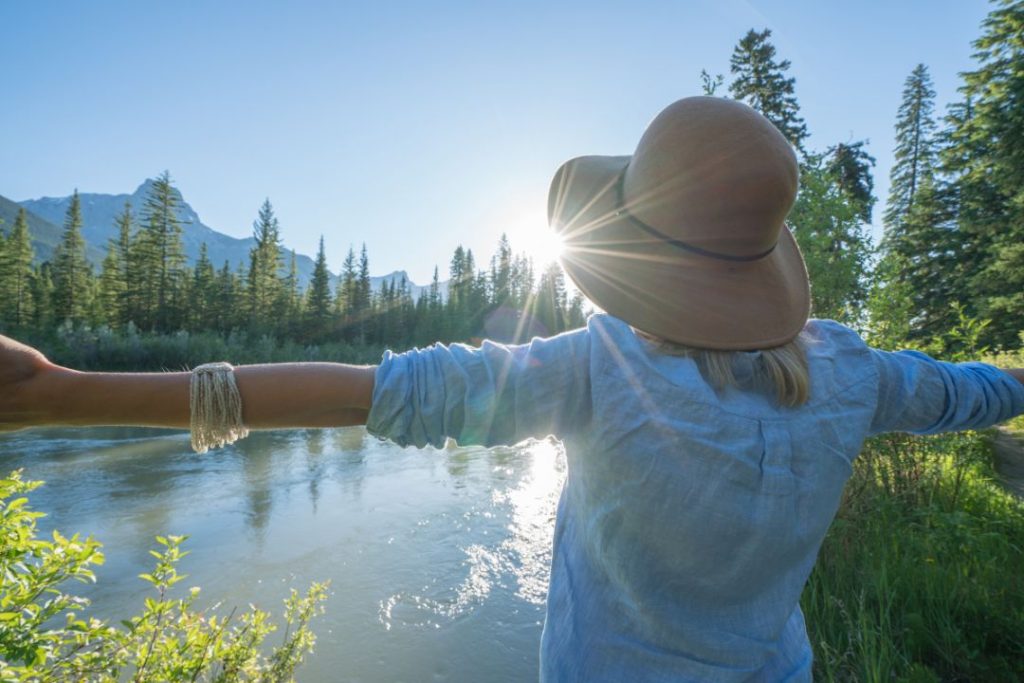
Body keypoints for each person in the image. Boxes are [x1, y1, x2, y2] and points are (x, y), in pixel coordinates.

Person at [1, 96, 1023, 682]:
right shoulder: (851, 373)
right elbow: (970, 392)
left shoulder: (596, 370)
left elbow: (370, 392)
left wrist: (62, 391)